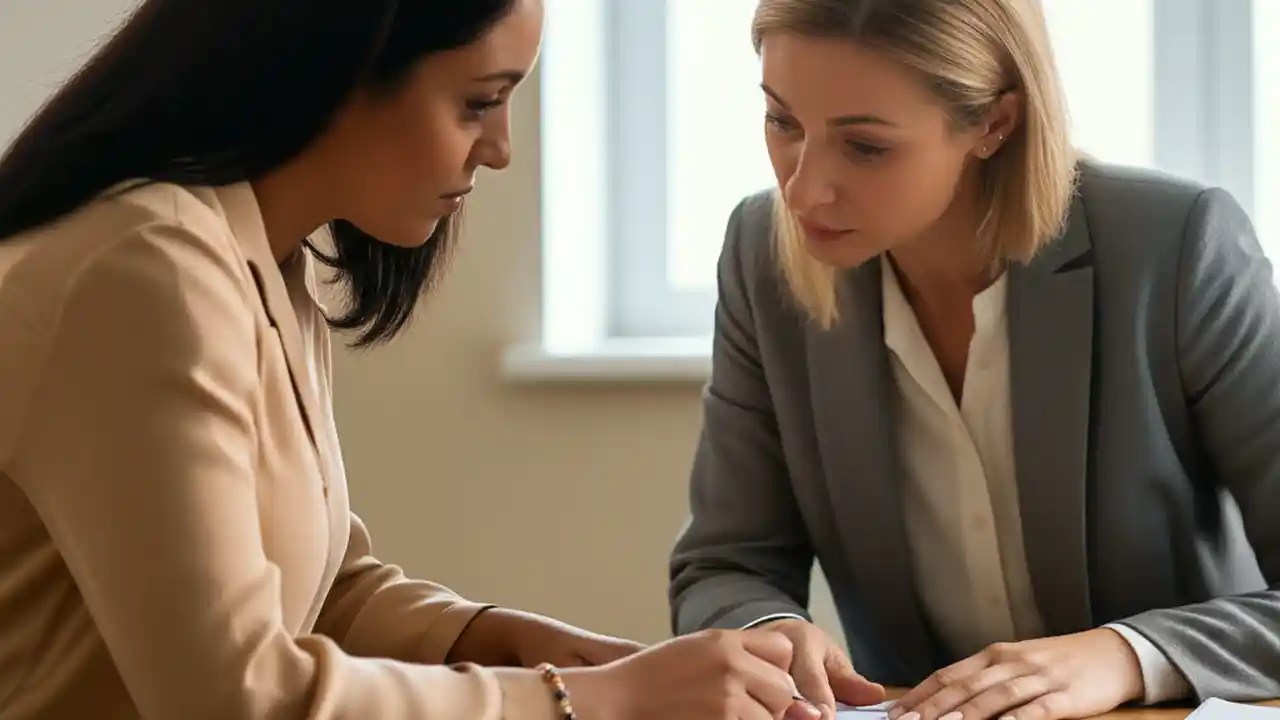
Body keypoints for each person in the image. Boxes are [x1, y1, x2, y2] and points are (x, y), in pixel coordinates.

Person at [0, 2, 817, 719]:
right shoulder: (145, 270)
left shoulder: (261, 262)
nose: (498, 149)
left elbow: (329, 591)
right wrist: (596, 703)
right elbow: (236, 696)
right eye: (479, 103)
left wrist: (537, 650)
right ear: (338, 70)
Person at [669, 1, 1280, 719]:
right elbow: (725, 564)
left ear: (995, 123)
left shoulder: (1172, 248)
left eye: (864, 147)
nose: (802, 189)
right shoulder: (762, 255)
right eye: (783, 122)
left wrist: (1127, 654)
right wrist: (767, 632)